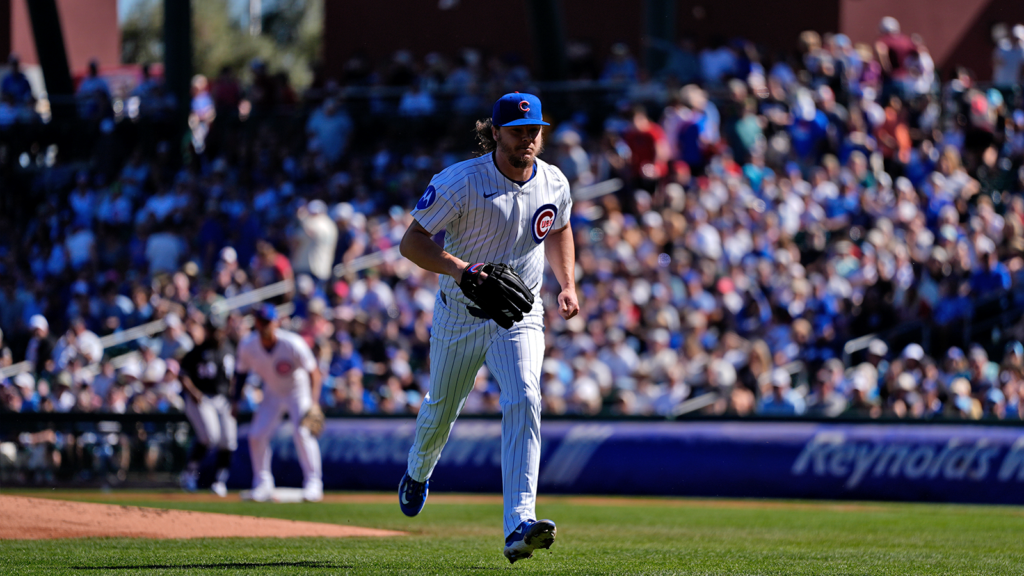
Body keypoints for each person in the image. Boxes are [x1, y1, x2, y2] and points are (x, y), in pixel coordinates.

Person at [397, 92, 579, 564]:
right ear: (494, 132)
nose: (528, 139)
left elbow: (559, 227)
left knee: (525, 395)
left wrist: (567, 284)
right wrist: (461, 270)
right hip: (460, 313)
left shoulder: (554, 181)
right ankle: (418, 472)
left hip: (519, 314)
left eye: (534, 131)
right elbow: (411, 243)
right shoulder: (460, 181)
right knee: (442, 408)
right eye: (518, 131)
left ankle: (520, 523)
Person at [233, 304, 323, 502]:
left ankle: (314, 484)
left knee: (303, 433)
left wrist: (314, 403)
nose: (265, 326)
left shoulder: (292, 343)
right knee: (256, 435)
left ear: (276, 322)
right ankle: (262, 484)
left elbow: (314, 373)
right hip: (272, 391)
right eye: (261, 321)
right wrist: (235, 400)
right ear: (256, 323)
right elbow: (240, 373)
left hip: (297, 390)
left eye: (268, 321)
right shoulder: (248, 345)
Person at [179, 320, 238, 497]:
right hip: (203, 397)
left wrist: (235, 396)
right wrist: (194, 393)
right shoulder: (198, 350)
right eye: (211, 330)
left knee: (228, 440)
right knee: (209, 436)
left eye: (217, 329)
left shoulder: (230, 349)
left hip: (223, 399)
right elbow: (183, 375)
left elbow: (236, 376)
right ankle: (190, 474)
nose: (215, 333)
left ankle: (220, 481)